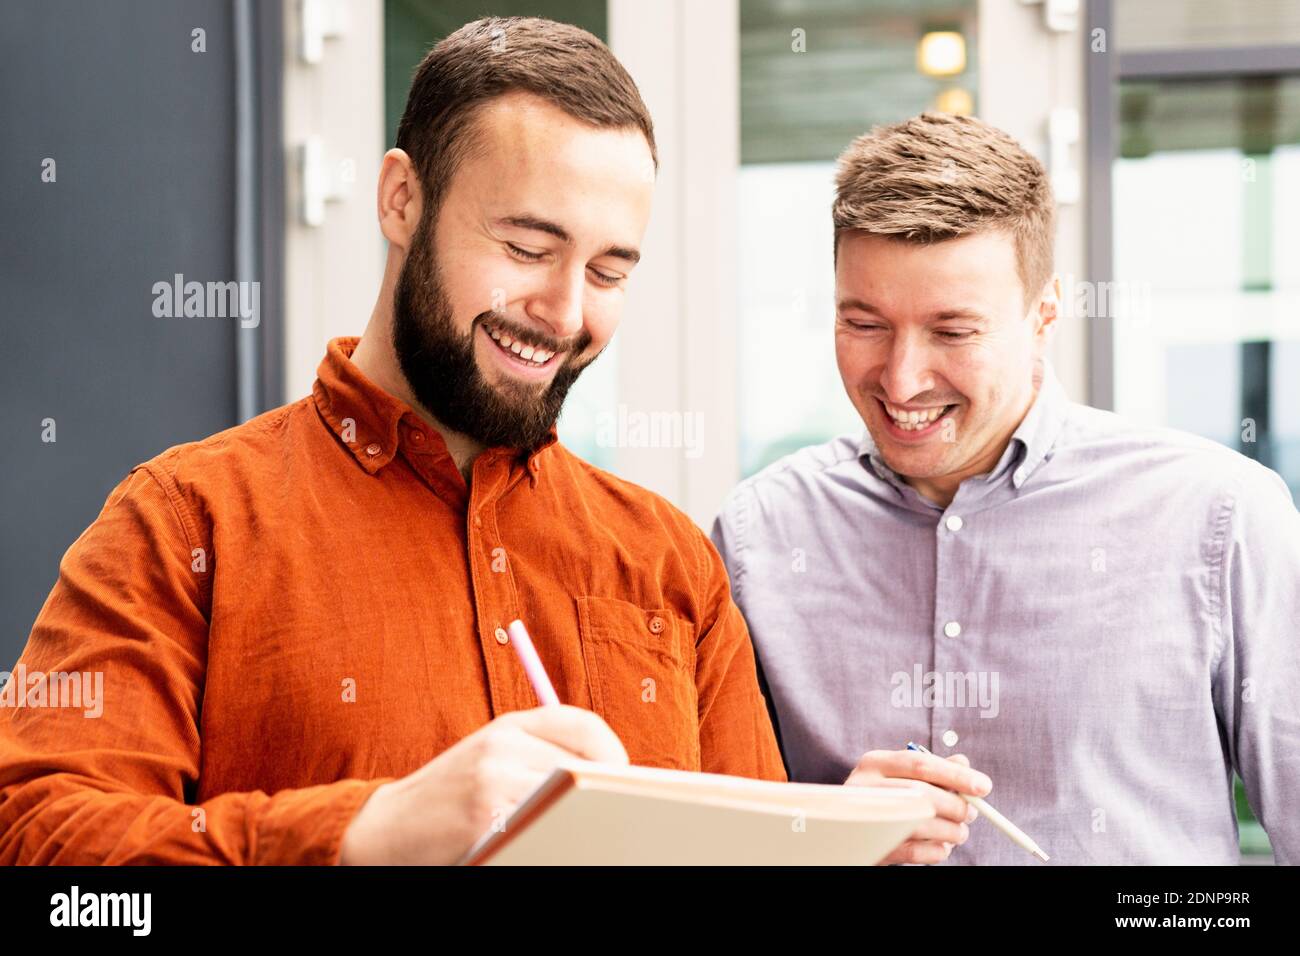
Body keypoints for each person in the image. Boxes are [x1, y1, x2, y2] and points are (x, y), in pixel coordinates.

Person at [0, 16, 788, 866]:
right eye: (527, 247)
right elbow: (45, 849)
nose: (564, 314)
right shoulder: (187, 523)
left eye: (607, 273)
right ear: (401, 201)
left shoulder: (672, 562)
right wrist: (364, 834)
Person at [712, 112, 1300, 864]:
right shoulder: (758, 535)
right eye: (864, 323)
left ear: (1044, 312)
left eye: (953, 332)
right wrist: (815, 845)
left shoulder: (1222, 519)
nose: (901, 379)